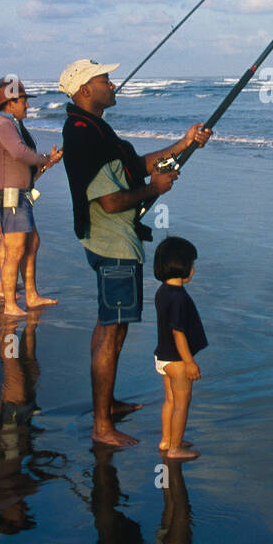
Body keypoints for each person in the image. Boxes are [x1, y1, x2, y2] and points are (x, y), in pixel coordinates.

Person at [58, 58, 212, 449]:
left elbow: (135, 167)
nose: (113, 84)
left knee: (110, 325)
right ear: (85, 90)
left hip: (108, 241)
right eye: (105, 79)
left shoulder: (91, 127)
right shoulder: (83, 133)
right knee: (112, 332)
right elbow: (112, 201)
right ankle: (101, 426)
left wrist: (184, 144)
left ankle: (105, 405)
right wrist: (155, 191)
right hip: (112, 243)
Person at [0, 76, 63, 316]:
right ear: (10, 102)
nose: (27, 105)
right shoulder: (3, 125)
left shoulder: (7, 124)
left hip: (15, 196)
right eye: (23, 101)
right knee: (16, 249)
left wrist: (47, 163)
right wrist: (45, 159)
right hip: (9, 198)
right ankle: (10, 304)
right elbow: (20, 153)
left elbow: (21, 165)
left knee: (30, 243)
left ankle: (30, 295)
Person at [153, 236, 206, 462]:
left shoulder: (163, 291)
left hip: (162, 357)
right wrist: (189, 362)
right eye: (192, 265)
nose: (193, 270)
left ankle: (167, 439)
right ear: (182, 266)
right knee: (182, 404)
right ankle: (175, 448)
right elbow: (178, 333)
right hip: (177, 361)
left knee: (170, 400)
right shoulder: (179, 298)